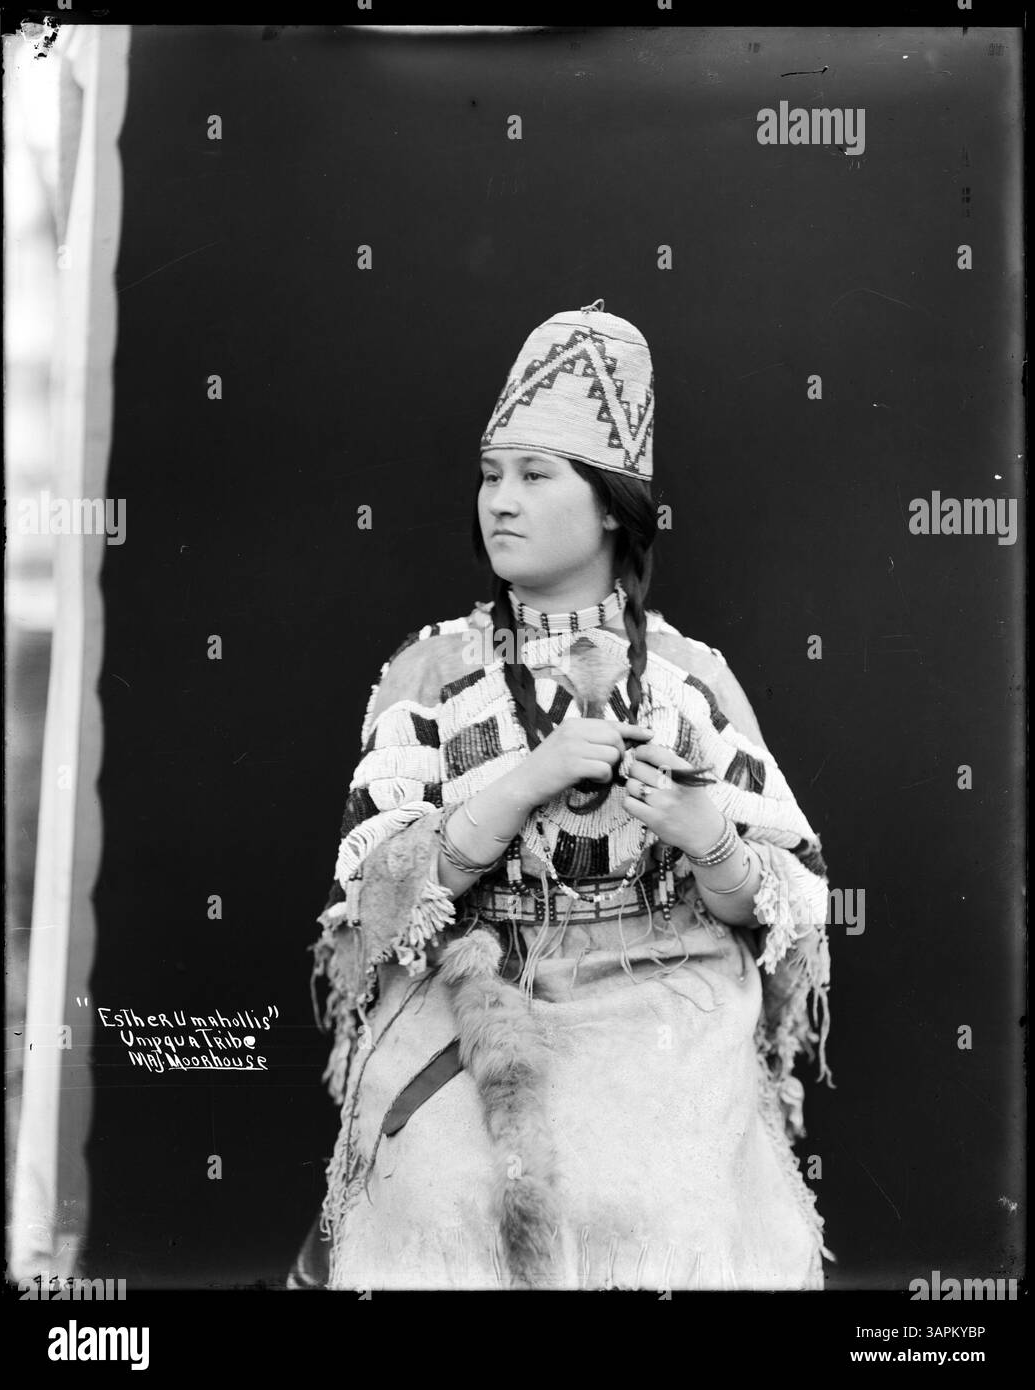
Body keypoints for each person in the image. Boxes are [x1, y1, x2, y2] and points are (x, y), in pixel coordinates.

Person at [303, 300, 833, 1291]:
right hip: (468, 999)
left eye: (533, 474)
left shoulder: (689, 679)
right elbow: (374, 896)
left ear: (608, 505)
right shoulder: (427, 673)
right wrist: (526, 781)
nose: (497, 500)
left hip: (657, 1002)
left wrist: (703, 833)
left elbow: (787, 900)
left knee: (650, 1195)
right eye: (488, 475)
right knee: (442, 1188)